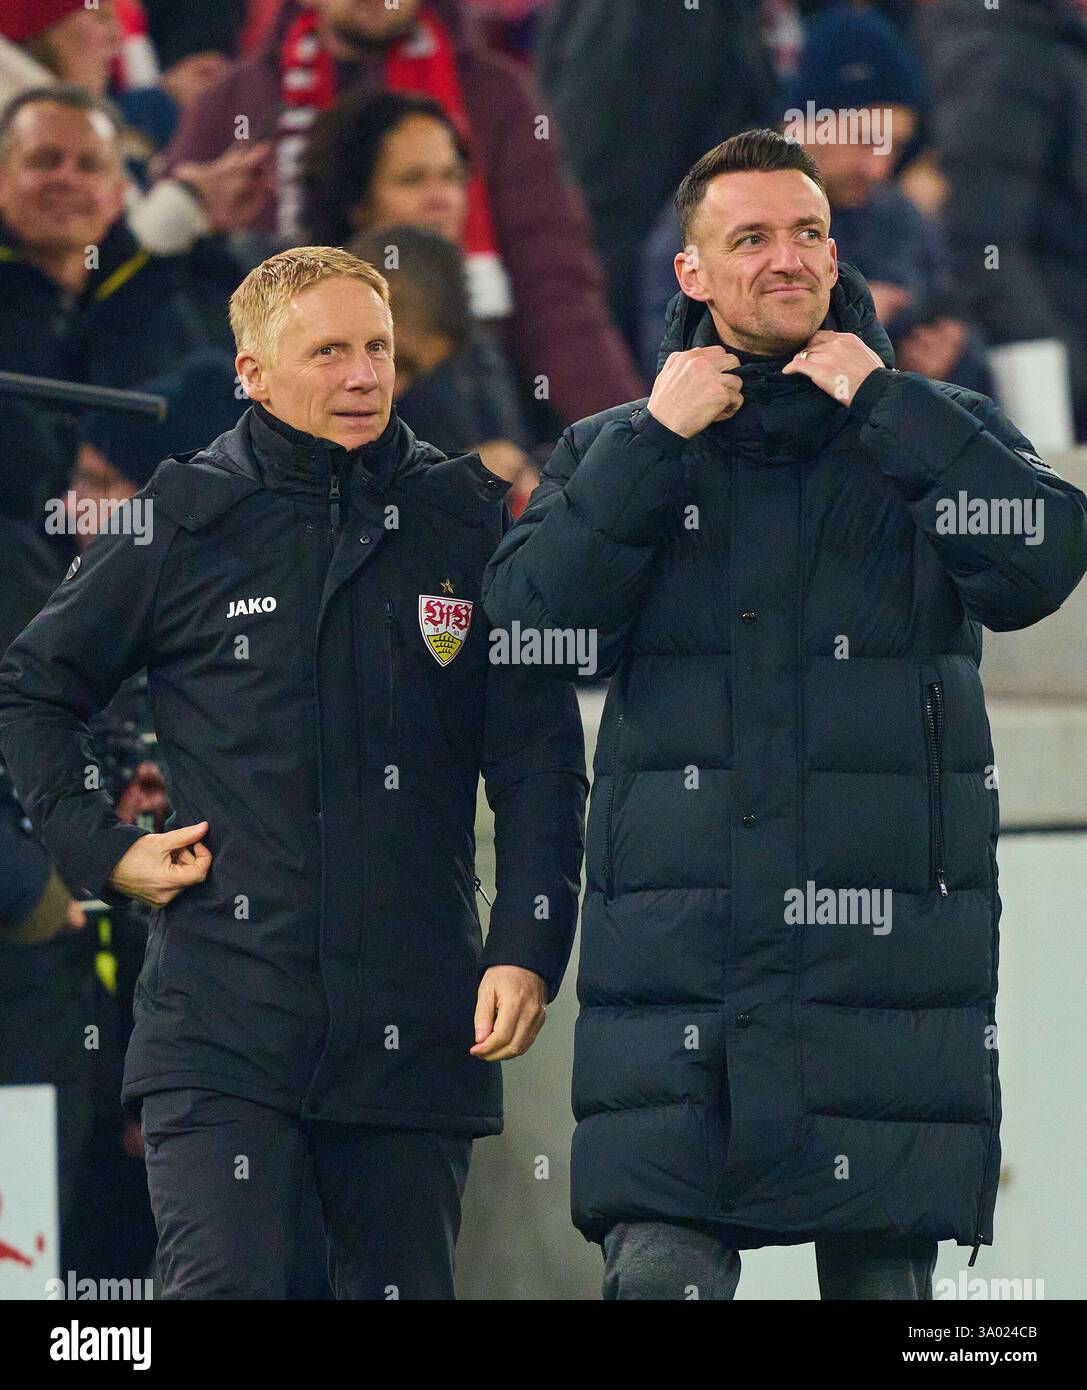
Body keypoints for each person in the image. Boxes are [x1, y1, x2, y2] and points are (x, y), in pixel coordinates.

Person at [482, 129, 1087, 1299]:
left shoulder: (924, 420)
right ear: (691, 273)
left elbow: (1040, 566)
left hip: (885, 988)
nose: (787, 258)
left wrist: (892, 406)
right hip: (679, 995)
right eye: (749, 237)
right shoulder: (616, 445)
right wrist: (655, 444)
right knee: (660, 1280)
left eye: (807, 231)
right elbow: (525, 628)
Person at [0, 244, 586, 1299]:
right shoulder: (179, 518)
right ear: (252, 374)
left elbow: (540, 758)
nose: (362, 375)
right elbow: (32, 690)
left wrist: (528, 945)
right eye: (327, 353)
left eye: (376, 348)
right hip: (223, 1025)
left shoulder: (465, 519)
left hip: (414, 1025)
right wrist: (105, 848)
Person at [159, 0, 643, 427]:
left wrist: (627, 436)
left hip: (483, 411)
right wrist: (190, 215)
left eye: (450, 175)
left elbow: (556, 292)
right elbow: (152, 274)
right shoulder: (234, 104)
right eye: (413, 179)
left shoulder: (495, 96)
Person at [917, 0, 1087, 439]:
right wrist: (1065, 371)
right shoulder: (1008, 51)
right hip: (1050, 382)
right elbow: (983, 242)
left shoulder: (1053, 42)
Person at [0, 86, 226, 387]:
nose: (67, 179)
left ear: (118, 194)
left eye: (89, 165)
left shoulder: (171, 298)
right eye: (45, 160)